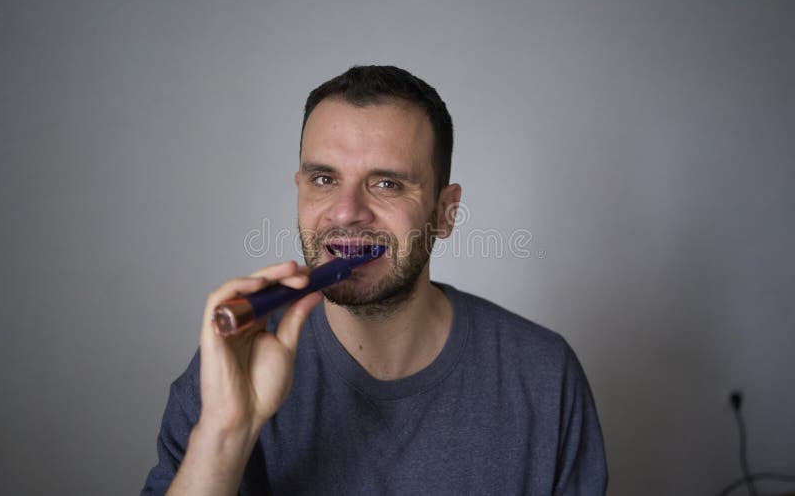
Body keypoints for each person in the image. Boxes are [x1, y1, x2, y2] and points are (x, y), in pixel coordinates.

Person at [141, 65, 608, 495]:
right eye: (323, 179)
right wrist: (226, 432)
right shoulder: (231, 363)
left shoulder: (545, 376)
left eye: (387, 184)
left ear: (445, 212)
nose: (346, 212)